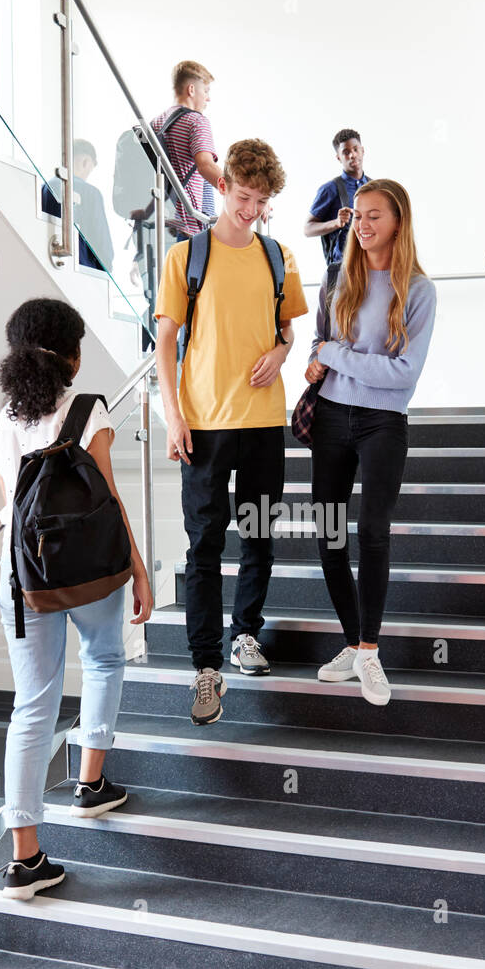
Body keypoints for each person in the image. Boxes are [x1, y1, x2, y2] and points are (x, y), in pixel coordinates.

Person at [0, 298, 153, 898]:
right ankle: (90, 785)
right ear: (74, 356)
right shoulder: (89, 409)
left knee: (31, 709)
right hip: (91, 573)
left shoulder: (4, 419)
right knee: (106, 661)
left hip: (23, 579)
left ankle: (25, 859)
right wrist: (138, 567)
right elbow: (107, 497)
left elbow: (12, 509)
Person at [154, 139, 308, 725]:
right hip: (205, 423)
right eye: (244, 197)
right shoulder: (186, 257)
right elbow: (166, 342)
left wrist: (281, 351)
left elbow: (290, 332)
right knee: (205, 547)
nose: (251, 209)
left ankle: (247, 634)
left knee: (260, 536)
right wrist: (172, 414)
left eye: (262, 200)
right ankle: (206, 668)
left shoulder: (279, 257)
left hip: (265, 420)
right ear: (223, 187)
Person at [305, 180, 436, 705]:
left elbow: (402, 374)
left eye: (373, 215)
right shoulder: (337, 276)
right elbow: (317, 343)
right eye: (358, 215)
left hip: (384, 421)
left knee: (372, 532)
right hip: (331, 416)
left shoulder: (419, 290)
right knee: (329, 535)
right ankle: (355, 644)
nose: (361, 224)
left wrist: (335, 355)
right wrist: (326, 354)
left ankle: (371, 650)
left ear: (398, 222)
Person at [151, 60, 223, 244]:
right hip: (190, 227)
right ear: (191, 90)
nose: (208, 99)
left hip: (162, 225)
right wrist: (242, 195)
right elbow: (206, 165)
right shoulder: (197, 121)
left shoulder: (156, 124)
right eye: (206, 91)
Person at [41, 139, 114, 274]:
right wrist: (107, 271)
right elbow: (102, 243)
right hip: (84, 269)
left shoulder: (44, 189)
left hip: (51, 265)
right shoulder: (90, 192)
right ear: (86, 162)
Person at [304, 129, 370, 265]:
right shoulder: (330, 189)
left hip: (372, 266)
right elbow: (308, 229)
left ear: (362, 151)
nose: (352, 155)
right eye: (346, 152)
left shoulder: (375, 187)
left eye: (356, 149)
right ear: (339, 157)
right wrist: (336, 223)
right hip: (343, 270)